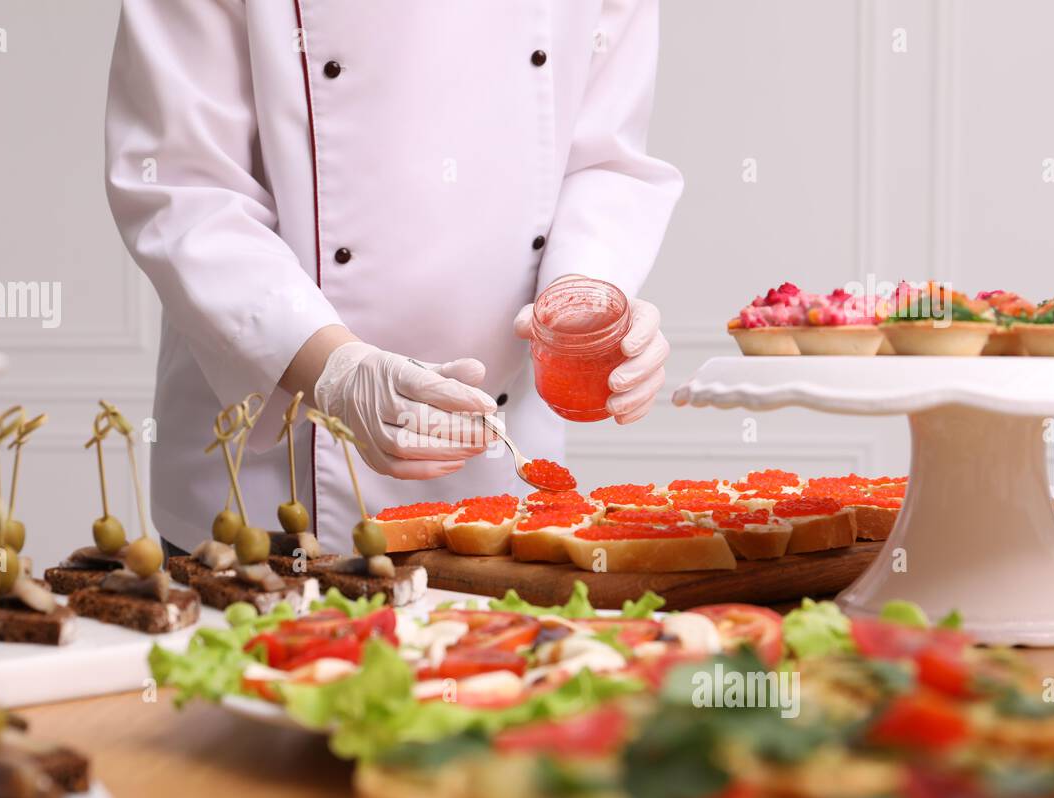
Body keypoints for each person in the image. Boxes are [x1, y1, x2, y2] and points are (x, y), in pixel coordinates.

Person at [105, 0, 682, 553]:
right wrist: (335, 370)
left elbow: (603, 157)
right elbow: (185, 189)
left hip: (506, 475)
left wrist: (587, 305)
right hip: (270, 489)